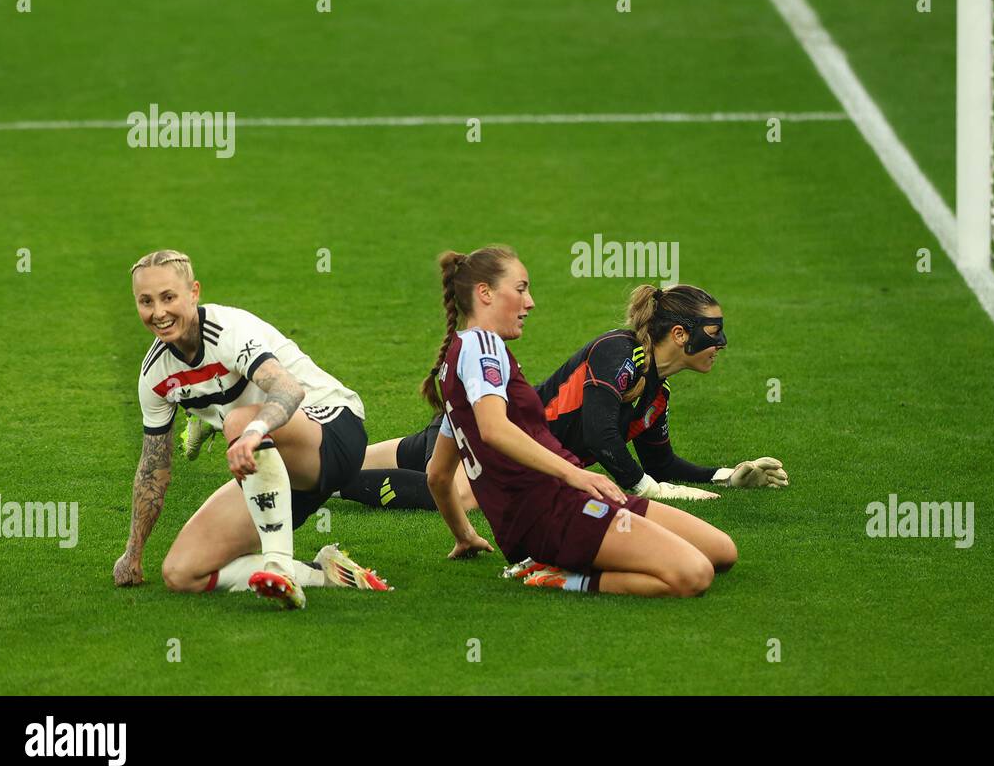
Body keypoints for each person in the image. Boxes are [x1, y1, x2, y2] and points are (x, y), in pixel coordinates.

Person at [422, 245, 737, 596]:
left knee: (722, 551)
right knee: (693, 575)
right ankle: (557, 576)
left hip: (567, 498)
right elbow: (495, 430)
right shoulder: (484, 346)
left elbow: (438, 474)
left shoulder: (460, 360)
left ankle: (582, 554)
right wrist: (575, 473)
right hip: (553, 512)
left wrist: (465, 535)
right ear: (485, 292)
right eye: (522, 289)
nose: (530, 302)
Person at [113, 249, 390, 610]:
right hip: (274, 467)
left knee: (238, 421)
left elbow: (289, 389)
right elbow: (153, 470)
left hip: (333, 431)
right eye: (145, 302)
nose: (158, 312)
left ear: (194, 293)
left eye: (168, 297)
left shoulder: (226, 330)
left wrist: (253, 430)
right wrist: (132, 554)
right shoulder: (155, 376)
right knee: (182, 573)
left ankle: (278, 565)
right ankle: (323, 573)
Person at [350, 284, 787, 510]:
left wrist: (727, 476)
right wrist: (649, 492)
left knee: (340, 457)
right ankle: (330, 482)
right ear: (678, 334)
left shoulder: (657, 395)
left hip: (477, 440)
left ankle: (322, 476)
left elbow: (662, 464)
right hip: (490, 442)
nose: (721, 344)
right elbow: (600, 436)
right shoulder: (619, 351)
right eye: (713, 334)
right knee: (465, 498)